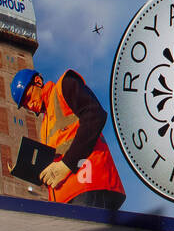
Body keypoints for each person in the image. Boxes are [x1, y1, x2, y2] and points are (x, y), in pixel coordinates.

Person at [10, 68, 126, 210]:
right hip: (66, 198)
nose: (30, 105)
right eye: (25, 105)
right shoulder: (45, 123)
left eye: (28, 98)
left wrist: (67, 164)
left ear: (38, 82)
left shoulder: (64, 87)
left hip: (88, 185)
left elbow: (95, 115)